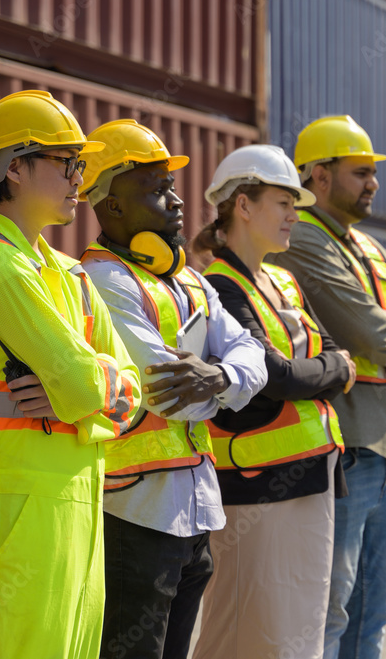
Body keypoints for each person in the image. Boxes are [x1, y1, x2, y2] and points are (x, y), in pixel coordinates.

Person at [0, 91, 141, 659]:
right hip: (13, 507)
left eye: (80, 164)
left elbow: (135, 393)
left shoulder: (72, 275)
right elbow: (90, 386)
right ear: (15, 169)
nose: (80, 177)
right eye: (65, 162)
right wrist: (95, 393)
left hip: (75, 501)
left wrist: (85, 401)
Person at [76, 119, 267, 659]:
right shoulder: (103, 282)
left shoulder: (187, 279)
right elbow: (165, 391)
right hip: (134, 514)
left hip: (196, 510)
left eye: (173, 187)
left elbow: (251, 352)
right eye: (157, 190)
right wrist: (227, 384)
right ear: (111, 207)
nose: (177, 202)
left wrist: (223, 376)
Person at [269, 115, 386, 659]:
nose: (373, 182)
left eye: (373, 172)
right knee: (332, 606)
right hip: (347, 449)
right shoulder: (303, 240)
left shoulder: (367, 246)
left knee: (378, 601)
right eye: (361, 172)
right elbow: (371, 336)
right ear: (320, 177)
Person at [191, 144, 355, 659]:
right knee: (248, 632)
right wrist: (336, 371)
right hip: (256, 489)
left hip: (312, 476)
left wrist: (326, 368)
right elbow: (274, 375)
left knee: (296, 632)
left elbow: (321, 353)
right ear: (243, 204)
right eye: (283, 202)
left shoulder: (281, 280)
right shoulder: (220, 287)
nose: (293, 216)